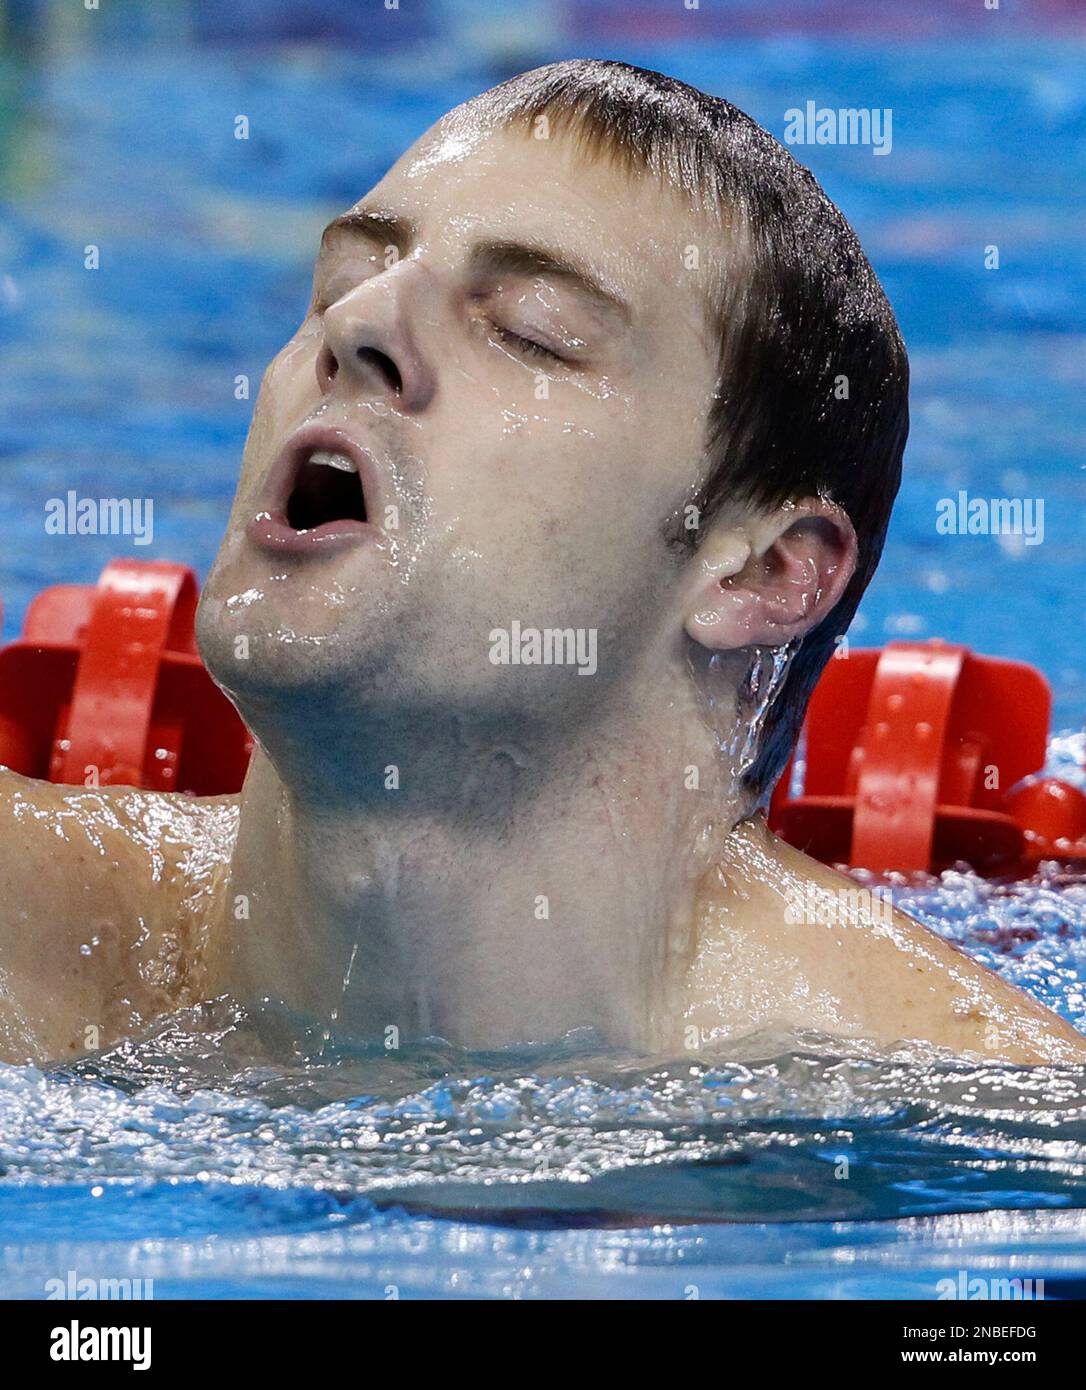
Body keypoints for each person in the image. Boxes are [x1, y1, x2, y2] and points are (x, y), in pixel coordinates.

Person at [2, 60, 1082, 1067]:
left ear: (760, 574)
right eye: (338, 285)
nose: (359, 326)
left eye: (530, 330)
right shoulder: (38, 939)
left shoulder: (951, 1097)